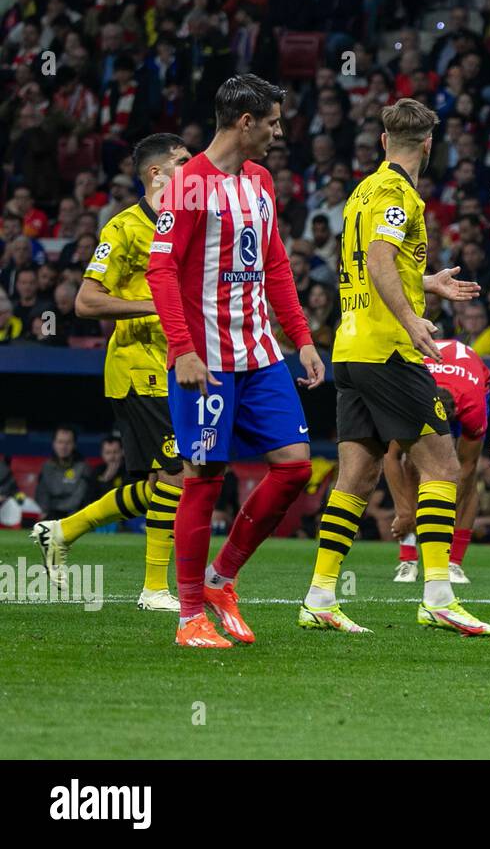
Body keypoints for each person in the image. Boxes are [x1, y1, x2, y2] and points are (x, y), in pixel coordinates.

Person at [297, 98, 490, 636]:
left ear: (384, 141)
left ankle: (319, 596)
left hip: (350, 349)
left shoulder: (361, 192)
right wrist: (412, 318)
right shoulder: (399, 194)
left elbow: (369, 264)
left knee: (355, 476)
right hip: (389, 349)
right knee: (443, 466)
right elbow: (381, 256)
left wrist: (427, 284)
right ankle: (438, 595)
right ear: (429, 144)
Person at [147, 74, 327, 649]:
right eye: (272, 121)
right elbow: (162, 272)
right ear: (244, 122)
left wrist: (301, 338)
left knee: (296, 465)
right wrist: (183, 351)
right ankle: (189, 615)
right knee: (204, 475)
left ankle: (222, 579)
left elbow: (275, 263)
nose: (279, 131)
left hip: (261, 353)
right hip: (209, 360)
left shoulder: (261, 180)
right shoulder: (188, 185)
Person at [30, 134, 191, 610]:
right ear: (156, 174)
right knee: (179, 476)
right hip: (138, 367)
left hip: (179, 367)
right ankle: (154, 589)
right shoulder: (123, 229)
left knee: (159, 484)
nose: (193, 169)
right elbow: (84, 302)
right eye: (183, 162)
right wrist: (155, 305)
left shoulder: (186, 223)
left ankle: (62, 530)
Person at [385, 338, 490, 585]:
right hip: (426, 384)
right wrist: (404, 512)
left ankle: (453, 563)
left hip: (473, 379)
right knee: (412, 464)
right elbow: (390, 455)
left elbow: (466, 467)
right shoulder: (409, 399)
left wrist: (443, 511)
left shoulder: (471, 407)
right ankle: (408, 559)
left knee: (467, 472)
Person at [34, 427, 93, 523]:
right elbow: (42, 493)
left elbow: (80, 497)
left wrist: (63, 516)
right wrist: (44, 511)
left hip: (74, 515)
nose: (63, 447)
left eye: (68, 443)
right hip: (50, 515)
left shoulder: (83, 467)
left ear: (74, 445)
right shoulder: (47, 467)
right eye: (60, 442)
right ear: (54, 444)